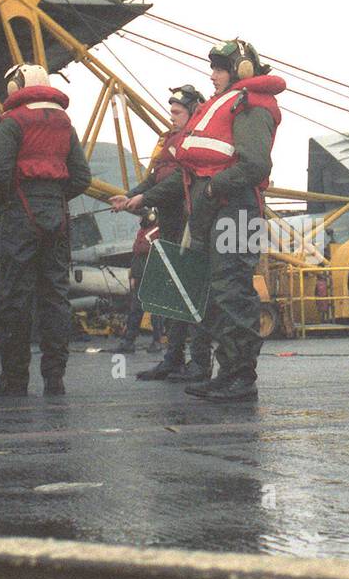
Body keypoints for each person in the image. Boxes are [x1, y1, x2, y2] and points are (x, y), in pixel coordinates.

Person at [121, 40, 284, 402]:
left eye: (220, 69)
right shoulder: (237, 104)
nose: (213, 76)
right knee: (220, 291)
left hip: (238, 206)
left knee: (233, 291)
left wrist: (212, 190)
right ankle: (228, 373)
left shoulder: (252, 106)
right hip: (224, 207)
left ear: (241, 70)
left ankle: (242, 378)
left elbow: (255, 164)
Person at [0, 62, 92, 397]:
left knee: (16, 298)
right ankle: (54, 378)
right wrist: (56, 196)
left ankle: (14, 380)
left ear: (17, 86)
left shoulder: (11, 122)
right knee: (56, 298)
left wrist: (8, 203)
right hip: (57, 215)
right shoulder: (64, 123)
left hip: (21, 214)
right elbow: (82, 177)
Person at [112, 85, 213, 382]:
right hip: (171, 225)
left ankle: (199, 362)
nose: (172, 117)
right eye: (171, 112)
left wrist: (144, 198)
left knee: (191, 295)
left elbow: (179, 181)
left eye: (177, 112)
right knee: (174, 295)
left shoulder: (195, 141)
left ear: (194, 111)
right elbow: (154, 178)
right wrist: (129, 196)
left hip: (188, 224)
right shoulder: (172, 141)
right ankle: (174, 358)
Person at [115, 216, 167, 355]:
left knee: (154, 312)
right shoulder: (144, 231)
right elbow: (137, 256)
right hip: (141, 276)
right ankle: (129, 341)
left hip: (152, 276)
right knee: (136, 310)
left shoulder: (153, 232)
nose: (139, 219)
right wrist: (133, 275)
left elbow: (143, 252)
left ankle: (156, 342)